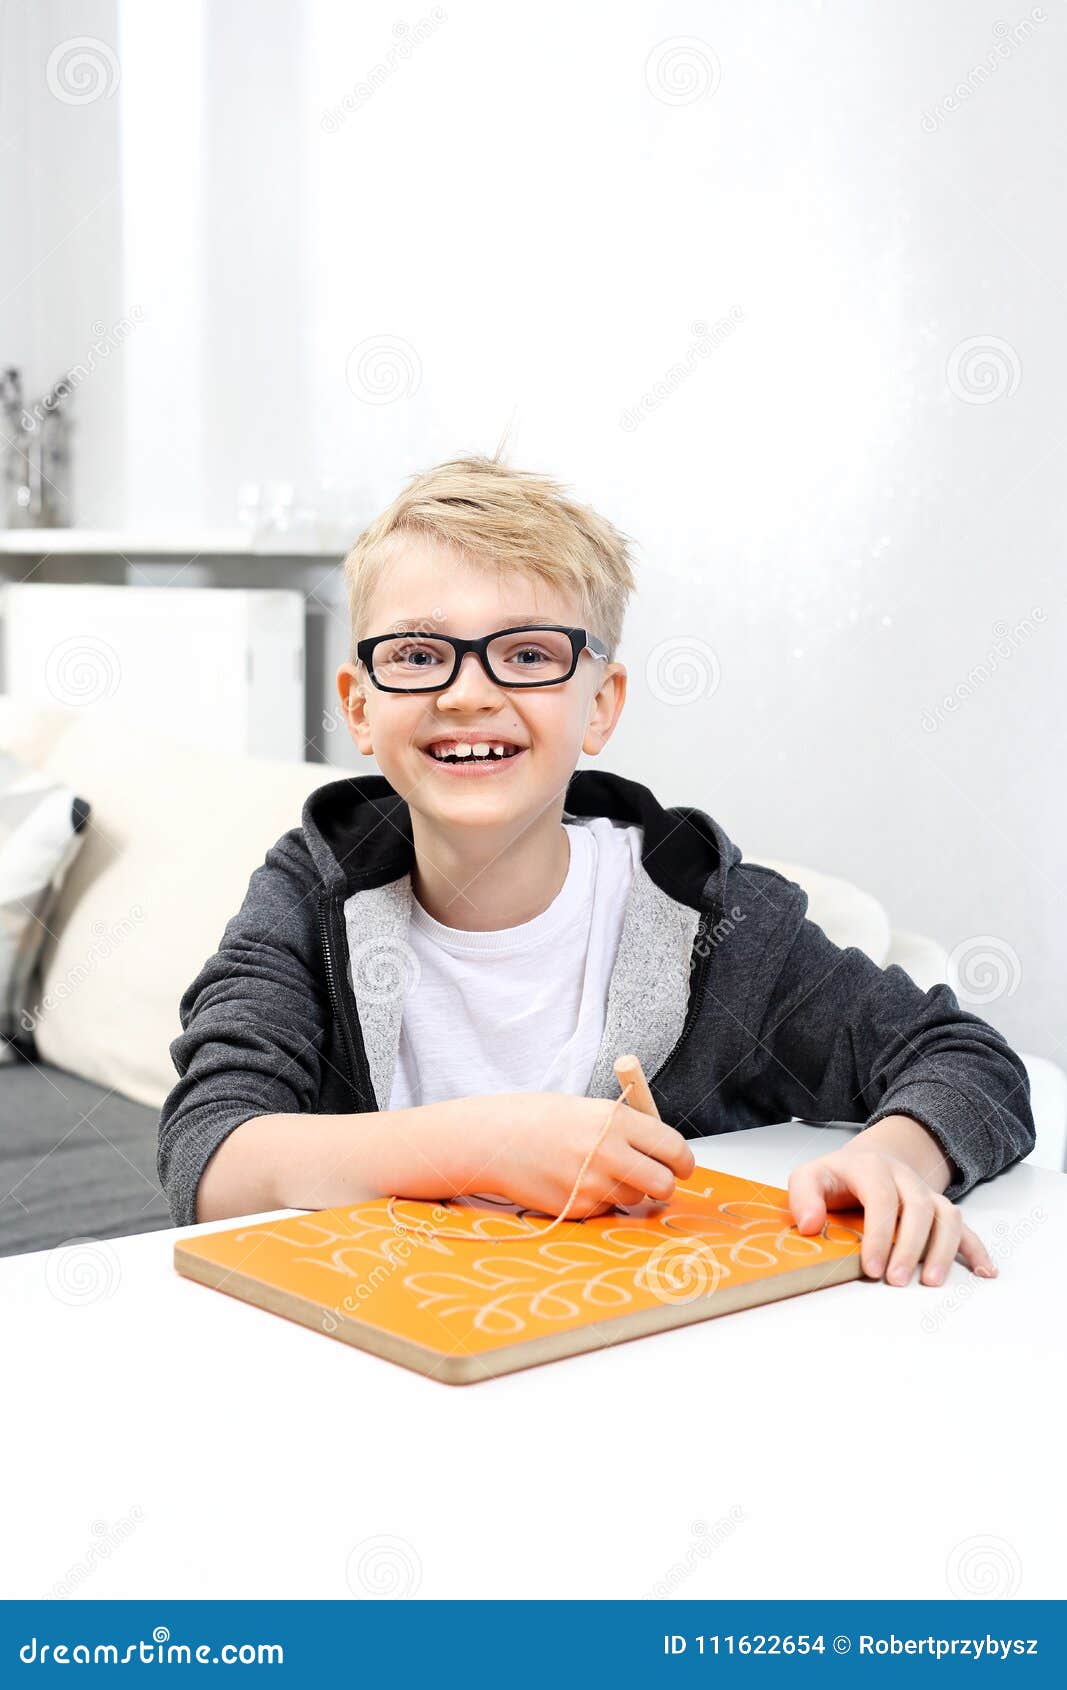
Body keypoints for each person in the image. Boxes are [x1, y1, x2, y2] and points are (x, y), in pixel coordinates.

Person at [157, 454, 1035, 1289]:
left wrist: (889, 1158)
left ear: (599, 706)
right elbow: (207, 1156)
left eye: (529, 655)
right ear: (359, 705)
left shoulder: (717, 924)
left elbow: (964, 1059)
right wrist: (477, 1144)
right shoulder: (309, 894)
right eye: (419, 657)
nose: (467, 694)